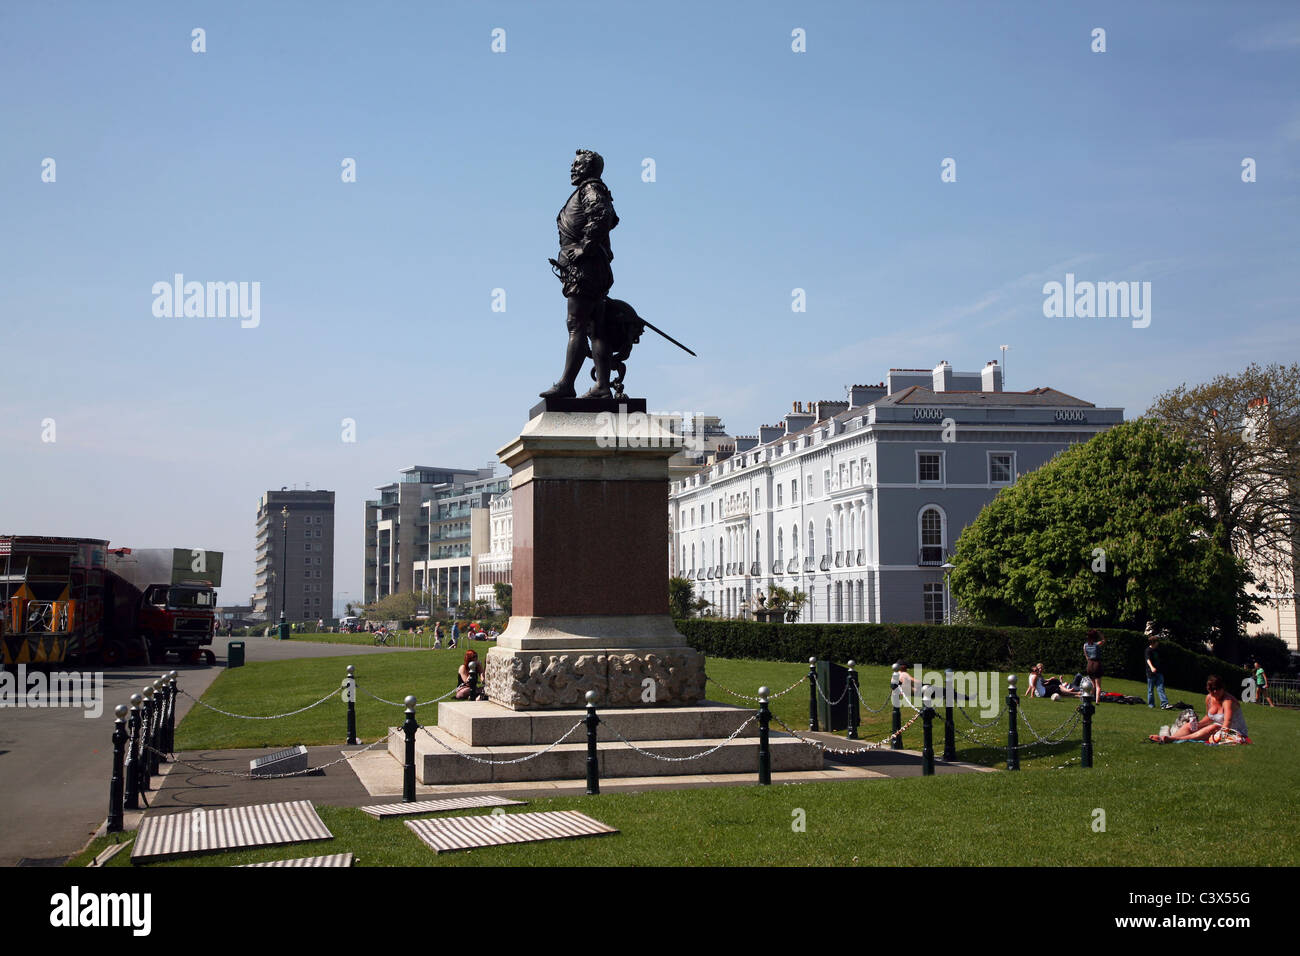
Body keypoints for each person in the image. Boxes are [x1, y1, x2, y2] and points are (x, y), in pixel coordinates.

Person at [540, 148, 621, 400]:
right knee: (595, 327)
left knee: (576, 324)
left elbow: (604, 216)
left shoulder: (591, 189)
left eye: (577, 165)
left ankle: (567, 384)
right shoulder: (590, 190)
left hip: (585, 269)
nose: (572, 168)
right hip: (590, 268)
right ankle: (602, 386)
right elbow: (611, 217)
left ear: (589, 168)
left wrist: (583, 246)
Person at [1151, 675, 1249, 743]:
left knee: (1213, 727)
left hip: (1234, 732)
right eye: (1211, 689)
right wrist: (1198, 725)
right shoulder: (1209, 698)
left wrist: (1216, 733)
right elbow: (1209, 717)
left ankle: (1173, 739)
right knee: (1189, 725)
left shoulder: (1228, 701)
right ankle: (1168, 738)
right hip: (1219, 728)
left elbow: (1227, 723)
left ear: (1222, 688)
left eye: (1217, 689)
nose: (1214, 692)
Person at [1145, 635, 1172, 709]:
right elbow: (1148, 660)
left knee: (1160, 688)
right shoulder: (1148, 650)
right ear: (1153, 642)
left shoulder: (1158, 650)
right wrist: (1152, 667)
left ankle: (1164, 704)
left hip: (1159, 672)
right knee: (1150, 690)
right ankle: (1151, 705)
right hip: (1151, 673)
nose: (1158, 643)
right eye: (1157, 642)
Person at [1082, 629, 1105, 701]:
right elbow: (1104, 640)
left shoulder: (1085, 645)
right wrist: (1100, 633)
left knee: (1093, 684)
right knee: (1098, 686)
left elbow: (1086, 656)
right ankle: (1097, 701)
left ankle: (1090, 698)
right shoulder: (1097, 644)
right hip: (1096, 664)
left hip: (1089, 665)